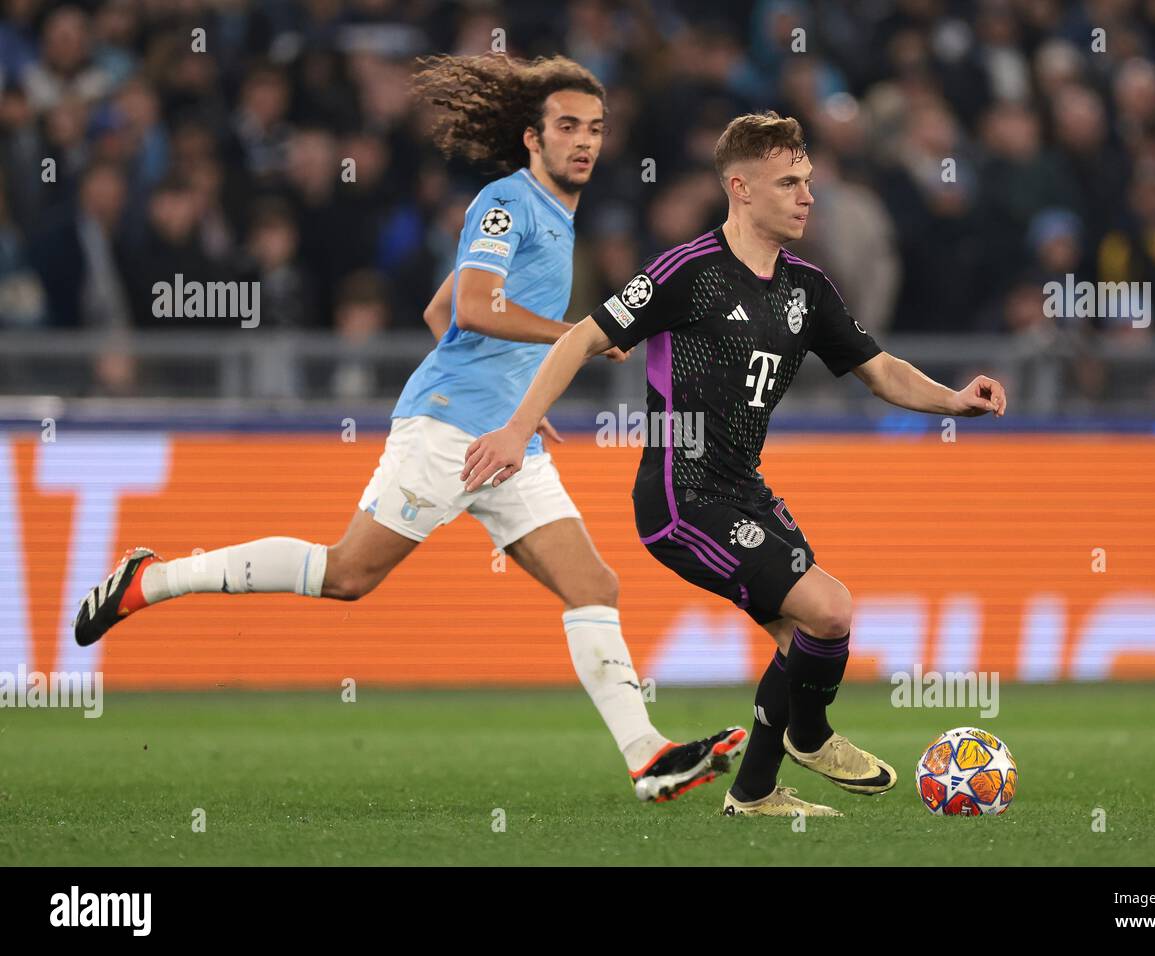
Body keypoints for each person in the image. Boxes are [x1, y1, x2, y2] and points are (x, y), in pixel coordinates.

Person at [73, 54, 745, 804]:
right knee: (347, 574)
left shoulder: (557, 216)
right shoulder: (507, 203)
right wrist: (574, 336)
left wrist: (522, 387)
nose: (584, 141)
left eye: (594, 128)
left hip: (506, 438)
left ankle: (647, 758)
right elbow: (473, 310)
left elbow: (439, 312)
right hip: (451, 434)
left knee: (593, 582)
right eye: (566, 127)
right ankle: (154, 577)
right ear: (532, 137)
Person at [463, 111, 1008, 817]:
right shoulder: (687, 272)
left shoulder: (807, 289)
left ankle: (752, 793)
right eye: (790, 183)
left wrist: (954, 401)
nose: (807, 196)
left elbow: (879, 370)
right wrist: (517, 426)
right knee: (829, 607)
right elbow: (580, 340)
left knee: (809, 638)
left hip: (744, 490)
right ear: (742, 188)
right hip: (680, 496)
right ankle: (809, 737)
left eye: (808, 181)